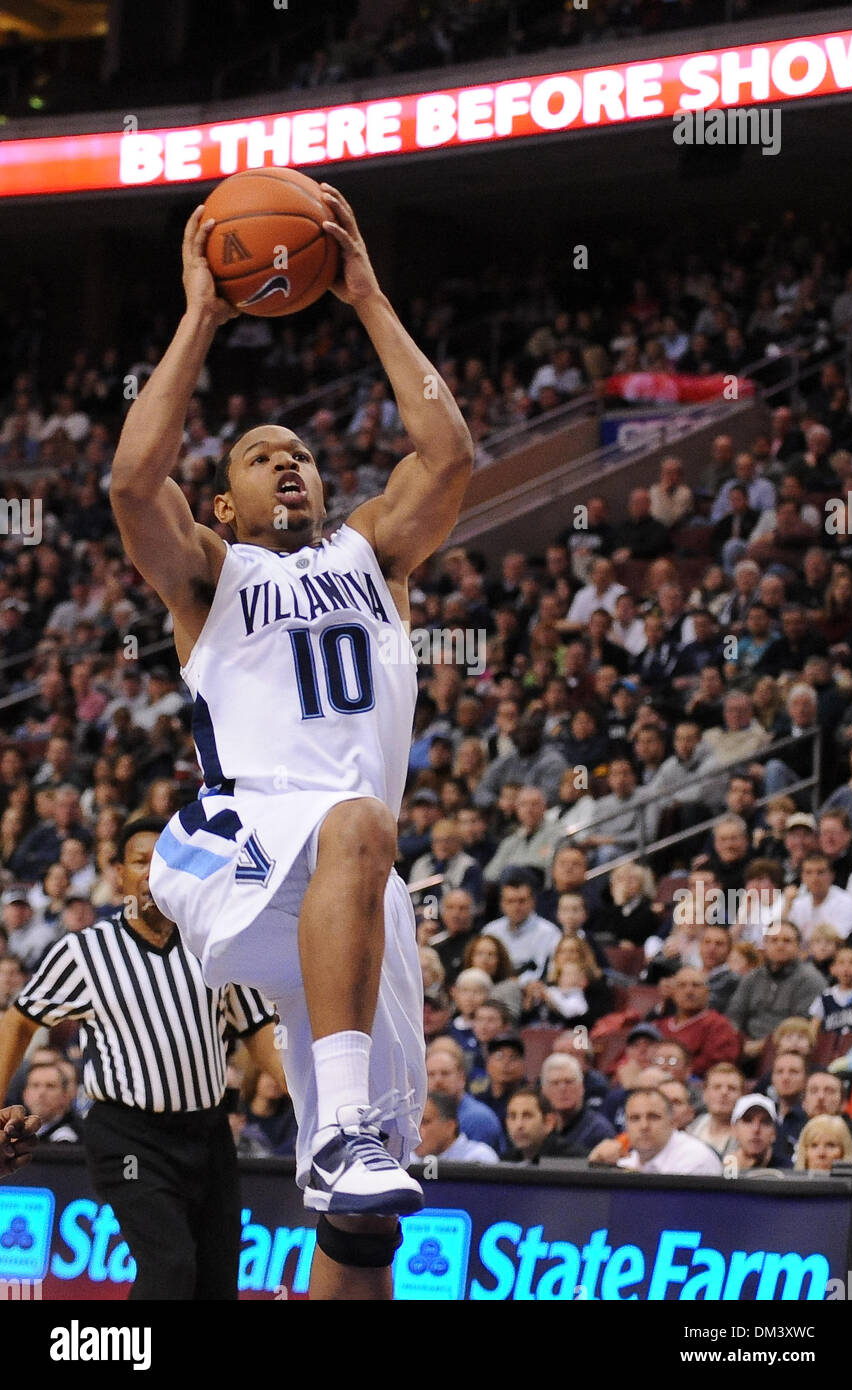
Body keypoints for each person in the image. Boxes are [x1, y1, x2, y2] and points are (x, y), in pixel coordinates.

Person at [111, 191, 474, 1297]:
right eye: (263, 456)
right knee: (355, 820)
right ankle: (341, 1132)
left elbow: (448, 448)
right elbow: (131, 483)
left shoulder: (374, 555)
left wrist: (363, 292)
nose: (290, 466)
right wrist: (200, 317)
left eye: (304, 454)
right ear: (220, 504)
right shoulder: (216, 580)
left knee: (366, 1230)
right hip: (239, 840)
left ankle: (346, 1144)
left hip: (355, 888)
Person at [0, 819, 283, 1299]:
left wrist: (311, 1100)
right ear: (118, 873)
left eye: (166, 862)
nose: (153, 875)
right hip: (130, 1135)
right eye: (140, 862)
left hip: (208, 1131)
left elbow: (258, 1032)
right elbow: (19, 1021)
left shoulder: (213, 945)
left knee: (216, 1283)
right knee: (169, 1266)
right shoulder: (85, 951)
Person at [726, 921, 825, 1062]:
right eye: (774, 940)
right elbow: (734, 1015)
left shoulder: (811, 980)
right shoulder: (753, 977)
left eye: (787, 941)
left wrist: (763, 1046)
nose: (780, 945)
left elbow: (801, 1027)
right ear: (764, 944)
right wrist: (736, 1041)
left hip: (786, 1051)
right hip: (744, 1047)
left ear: (798, 946)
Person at [595, 1088, 722, 1175]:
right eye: (635, 1118)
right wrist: (597, 1167)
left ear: (672, 1122)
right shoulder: (625, 1163)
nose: (644, 1126)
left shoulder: (695, 1159)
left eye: (653, 1117)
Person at [658, 967, 742, 1076]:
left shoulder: (719, 1026)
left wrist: (678, 1071)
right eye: (682, 985)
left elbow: (719, 1068)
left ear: (707, 992)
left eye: (696, 985)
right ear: (673, 993)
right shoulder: (661, 1025)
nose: (689, 991)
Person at [424, 1041, 503, 1151]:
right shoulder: (417, 1115)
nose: (438, 1081)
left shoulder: (478, 1119)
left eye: (445, 1073)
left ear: (462, 1078)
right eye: (431, 1074)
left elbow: (474, 1165)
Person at [539, 1052, 615, 1154]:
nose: (562, 1089)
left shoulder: (600, 1131)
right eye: (555, 1083)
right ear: (544, 1091)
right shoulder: (537, 1128)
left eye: (569, 1082)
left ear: (582, 1087)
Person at [412, 1091, 498, 1165]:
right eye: (413, 1123)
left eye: (424, 1122)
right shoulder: (407, 1159)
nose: (415, 1131)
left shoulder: (479, 1158)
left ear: (449, 1127)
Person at [687, 1062, 744, 1158]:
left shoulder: (747, 1134)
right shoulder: (693, 1127)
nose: (724, 1092)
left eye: (732, 1088)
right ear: (705, 1093)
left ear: (742, 1095)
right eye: (717, 1087)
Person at [502, 1087, 572, 1164]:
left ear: (548, 1122)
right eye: (512, 1117)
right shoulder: (506, 1161)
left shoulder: (572, 1160)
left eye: (527, 1116)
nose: (519, 1125)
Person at [729, 1095, 793, 1173]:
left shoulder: (788, 1172)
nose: (756, 1129)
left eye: (765, 1122)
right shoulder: (719, 1169)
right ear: (734, 1129)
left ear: (774, 1132)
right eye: (748, 1120)